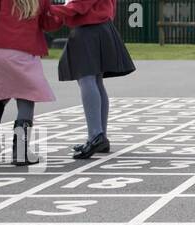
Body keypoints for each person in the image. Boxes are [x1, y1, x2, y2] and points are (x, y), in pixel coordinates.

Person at [0, 0, 63, 165]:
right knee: (26, 99)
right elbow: (48, 22)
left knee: (2, 91)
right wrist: (63, 14)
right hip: (23, 50)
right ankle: (20, 151)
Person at [50, 0, 136, 159]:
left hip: (89, 29)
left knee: (87, 79)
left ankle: (96, 135)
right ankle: (99, 136)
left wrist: (47, 9)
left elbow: (79, 6)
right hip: (99, 26)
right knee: (96, 81)